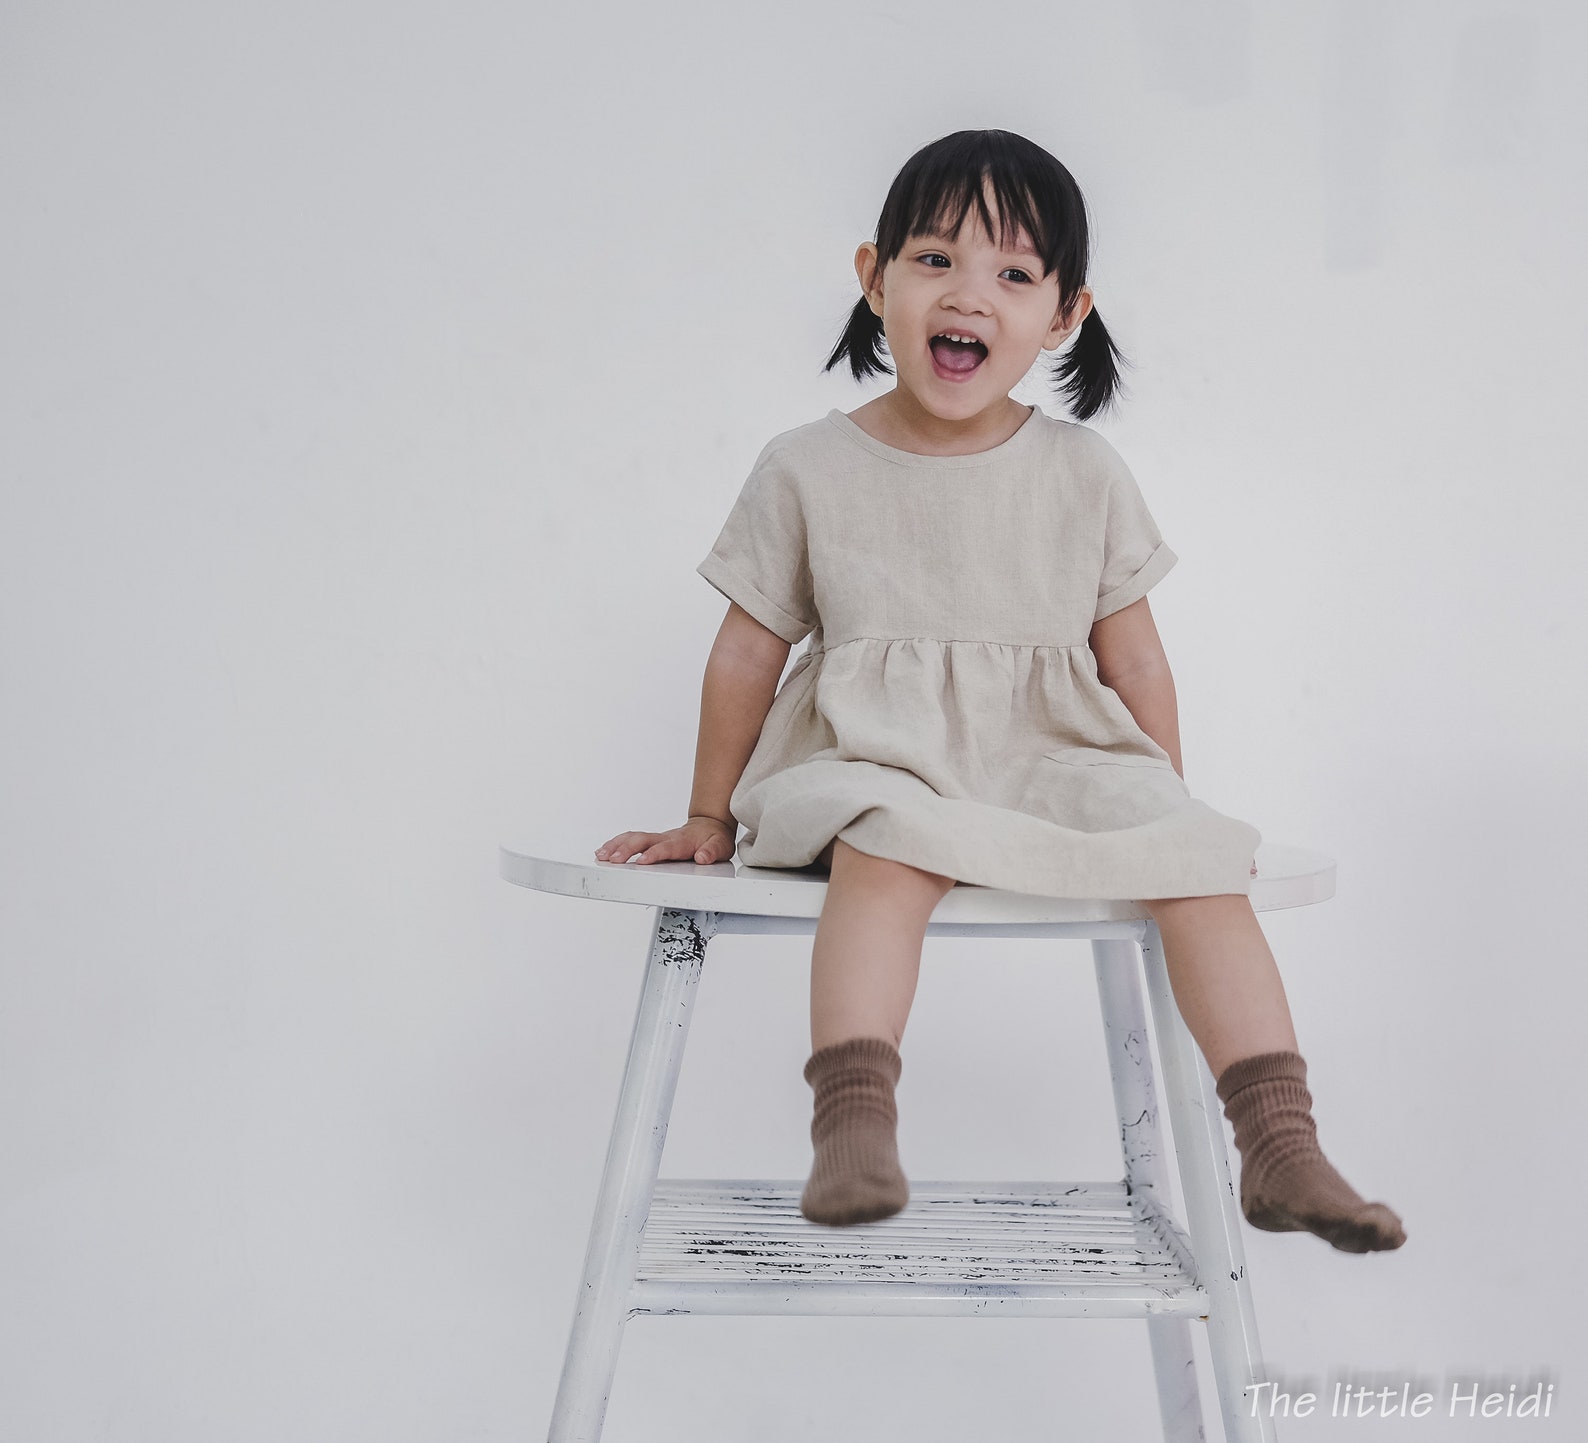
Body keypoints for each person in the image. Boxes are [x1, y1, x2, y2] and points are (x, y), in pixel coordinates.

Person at [594, 129, 1405, 1255]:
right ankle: (854, 1119)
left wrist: (1166, 807)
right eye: (935, 260)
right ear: (874, 276)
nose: (968, 294)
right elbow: (747, 650)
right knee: (889, 843)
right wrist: (704, 810)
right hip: (877, 752)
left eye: (1013, 275)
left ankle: (1279, 1144)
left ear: (1065, 313)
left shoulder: (1081, 473)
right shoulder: (806, 465)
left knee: (1196, 863)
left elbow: (1135, 662)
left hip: (1049, 752)